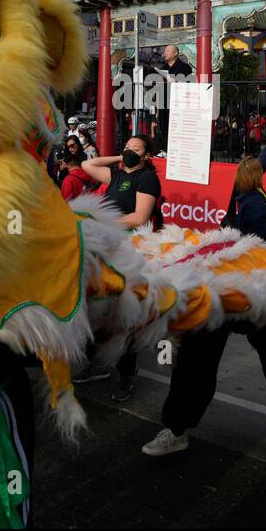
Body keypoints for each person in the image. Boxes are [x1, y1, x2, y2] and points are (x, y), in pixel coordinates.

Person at [142, 136, 266, 470]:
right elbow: (256, 233)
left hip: (259, 292)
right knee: (194, 361)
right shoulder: (249, 203)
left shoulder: (247, 195)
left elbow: (261, 174)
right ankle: (176, 429)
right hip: (227, 288)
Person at [77, 134, 163, 400]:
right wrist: (120, 156)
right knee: (96, 305)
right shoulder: (116, 174)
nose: (129, 151)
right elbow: (87, 166)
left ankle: (126, 376)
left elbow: (139, 217)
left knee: (124, 314)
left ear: (147, 156)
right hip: (107, 247)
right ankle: (96, 364)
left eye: (136, 149)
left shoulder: (147, 178)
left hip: (130, 250)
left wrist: (103, 220)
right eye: (127, 146)